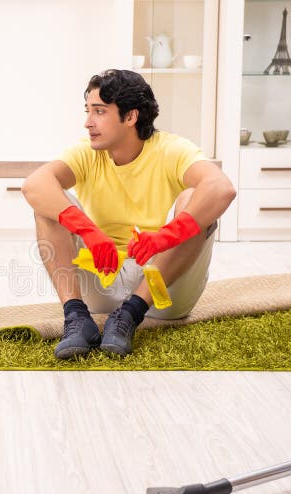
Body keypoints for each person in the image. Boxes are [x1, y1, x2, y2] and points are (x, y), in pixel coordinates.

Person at [22, 69, 236, 359]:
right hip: (104, 276)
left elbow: (221, 188)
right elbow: (34, 184)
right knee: (48, 205)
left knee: (193, 197)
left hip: (162, 287)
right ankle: (76, 318)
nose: (88, 123)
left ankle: (132, 314)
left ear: (131, 117)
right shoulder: (88, 152)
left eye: (99, 111)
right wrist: (89, 232)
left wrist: (165, 237)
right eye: (88, 111)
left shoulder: (172, 149)